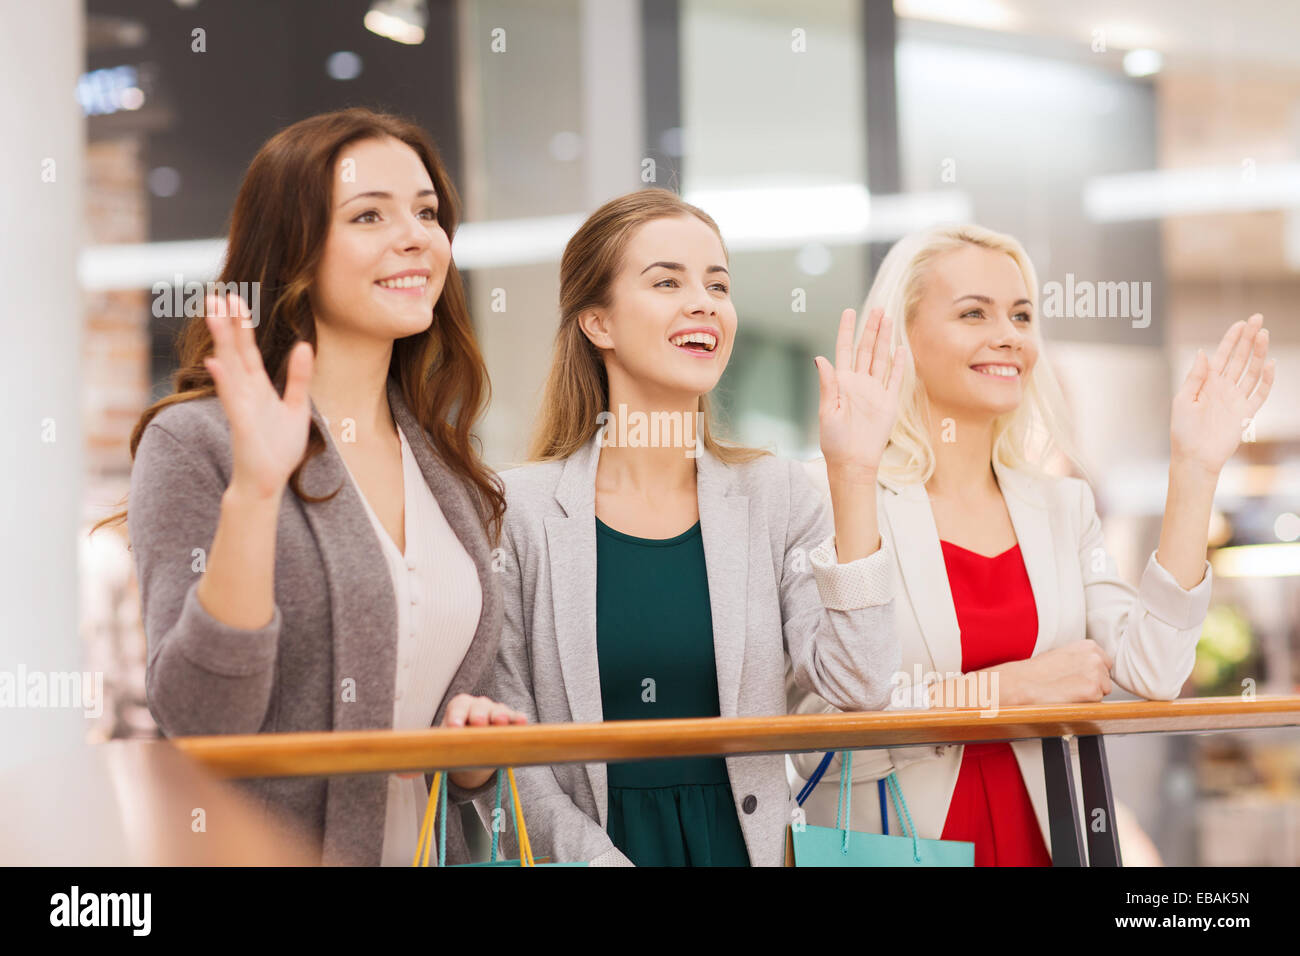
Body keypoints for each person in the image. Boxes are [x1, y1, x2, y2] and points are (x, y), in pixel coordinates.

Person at [97, 108, 525, 866]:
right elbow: (201, 723)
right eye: (369, 214)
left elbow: (457, 736)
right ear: (294, 248)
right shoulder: (198, 443)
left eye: (427, 212)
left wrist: (473, 758)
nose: (416, 236)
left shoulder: (449, 470)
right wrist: (256, 493)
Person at [790, 223, 1274, 865]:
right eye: (974, 313)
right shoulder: (835, 497)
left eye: (1021, 315)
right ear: (901, 338)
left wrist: (1194, 468)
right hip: (899, 846)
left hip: (1043, 843)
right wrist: (1007, 690)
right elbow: (818, 731)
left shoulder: (1060, 507)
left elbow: (1155, 669)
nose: (1010, 336)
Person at [481, 188, 903, 866]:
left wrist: (853, 472)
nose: (704, 300)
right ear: (598, 322)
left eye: (718, 283)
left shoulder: (777, 496)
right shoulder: (515, 510)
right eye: (666, 281)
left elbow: (862, 684)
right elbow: (506, 753)